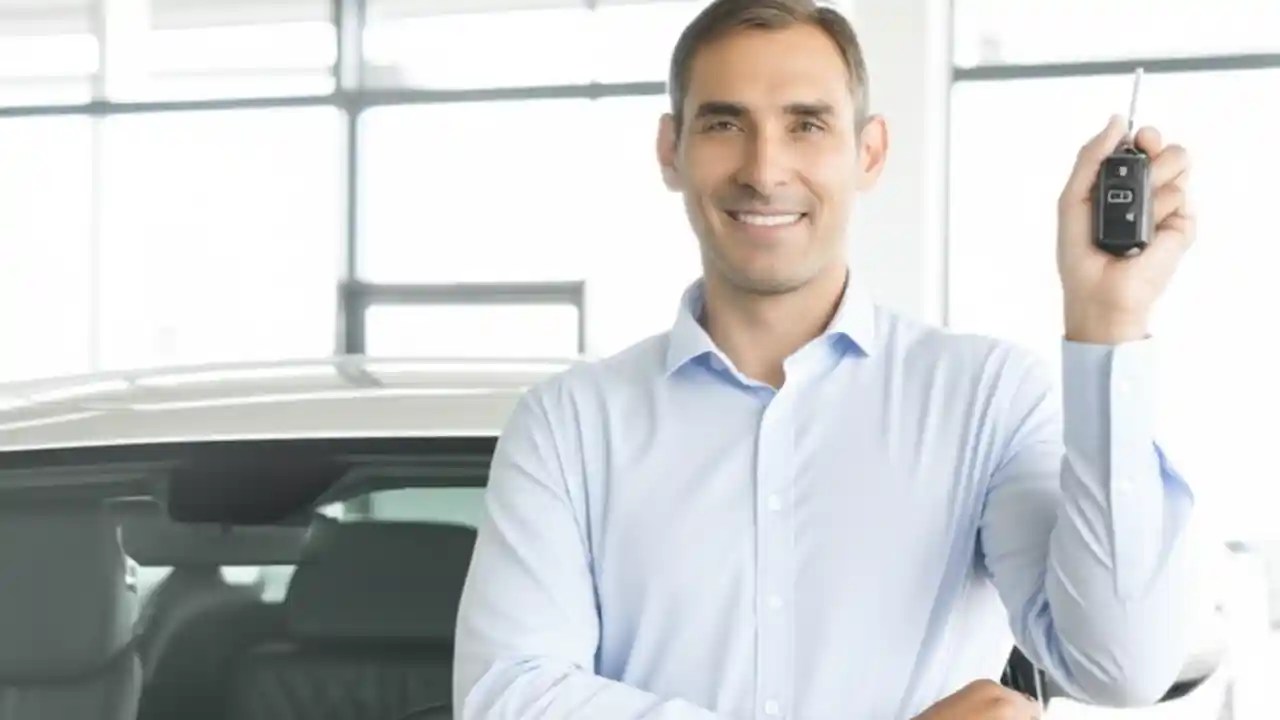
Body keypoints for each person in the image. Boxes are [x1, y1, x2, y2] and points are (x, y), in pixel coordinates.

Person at [452, 0, 1197, 717]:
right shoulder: (569, 424)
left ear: (868, 152)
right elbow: (510, 698)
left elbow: (1117, 665)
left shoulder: (986, 398)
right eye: (724, 123)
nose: (764, 168)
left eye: (805, 124)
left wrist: (1108, 322)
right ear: (669, 150)